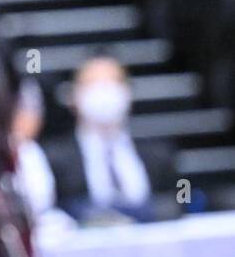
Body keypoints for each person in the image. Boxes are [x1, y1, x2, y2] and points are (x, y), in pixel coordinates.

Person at [42, 56, 179, 224]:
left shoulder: (159, 154)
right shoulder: (53, 159)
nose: (104, 91)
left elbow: (178, 202)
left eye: (113, 82)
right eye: (93, 83)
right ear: (73, 96)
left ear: (128, 92)